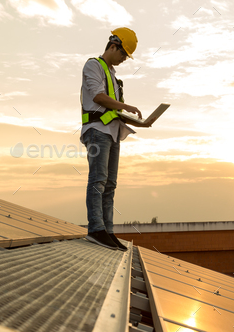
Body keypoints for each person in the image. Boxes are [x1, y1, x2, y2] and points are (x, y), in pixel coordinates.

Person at [80, 27, 142, 251]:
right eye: (124, 54)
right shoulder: (93, 65)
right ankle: (96, 229)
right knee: (98, 179)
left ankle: (107, 230)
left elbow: (114, 111)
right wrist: (126, 106)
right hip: (97, 130)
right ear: (113, 46)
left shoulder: (114, 77)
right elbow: (97, 96)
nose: (124, 59)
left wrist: (137, 120)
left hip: (112, 132)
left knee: (110, 184)